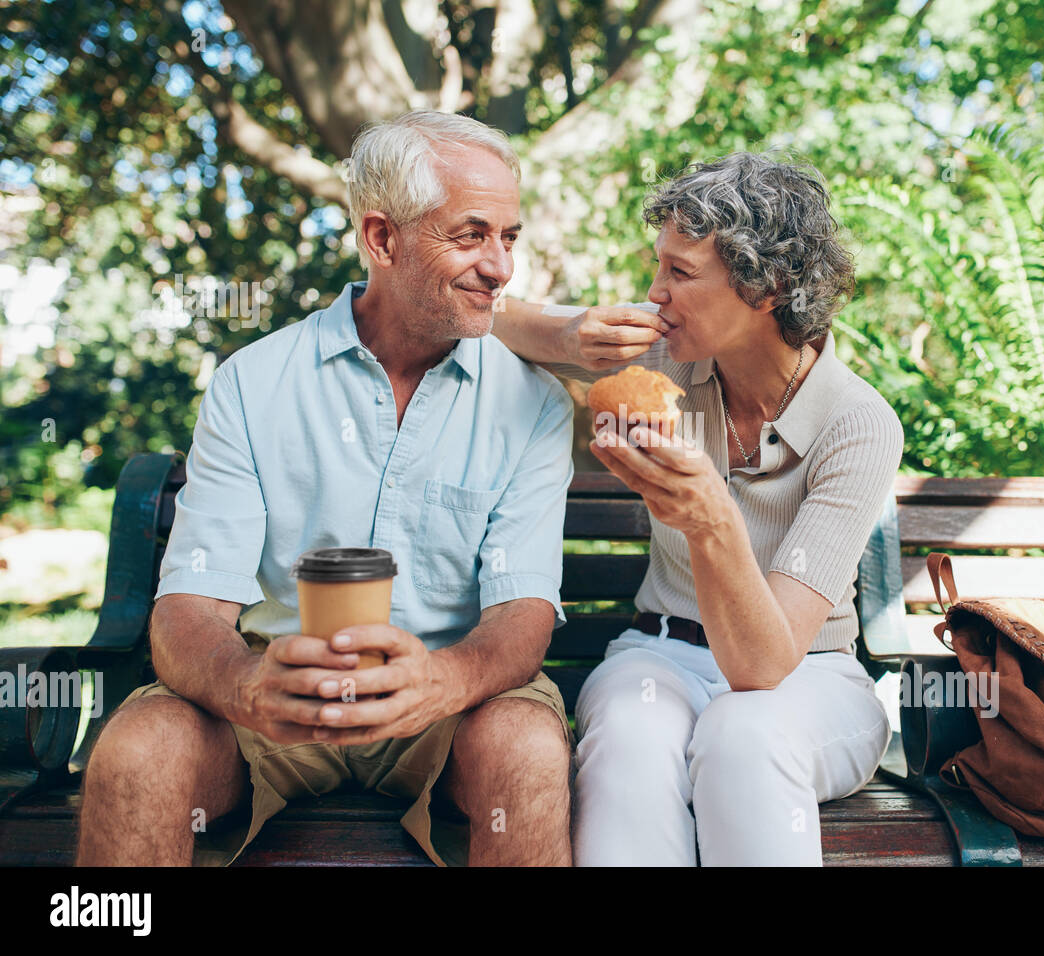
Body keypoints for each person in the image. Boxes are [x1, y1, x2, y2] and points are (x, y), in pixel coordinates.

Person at [76, 110, 575, 867]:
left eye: (509, 237)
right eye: (471, 235)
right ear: (382, 238)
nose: (501, 267)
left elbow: (521, 615)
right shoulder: (255, 382)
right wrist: (247, 684)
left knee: (527, 748)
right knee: (141, 748)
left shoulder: (534, 403)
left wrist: (439, 680)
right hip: (274, 693)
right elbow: (188, 610)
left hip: (452, 700)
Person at [492, 151, 905, 866]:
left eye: (680, 274)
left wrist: (710, 516)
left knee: (744, 731)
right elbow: (488, 317)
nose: (655, 294)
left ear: (765, 286)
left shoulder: (858, 424)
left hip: (808, 676)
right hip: (658, 653)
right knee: (629, 738)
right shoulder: (661, 366)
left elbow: (763, 666)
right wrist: (567, 336)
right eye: (659, 266)